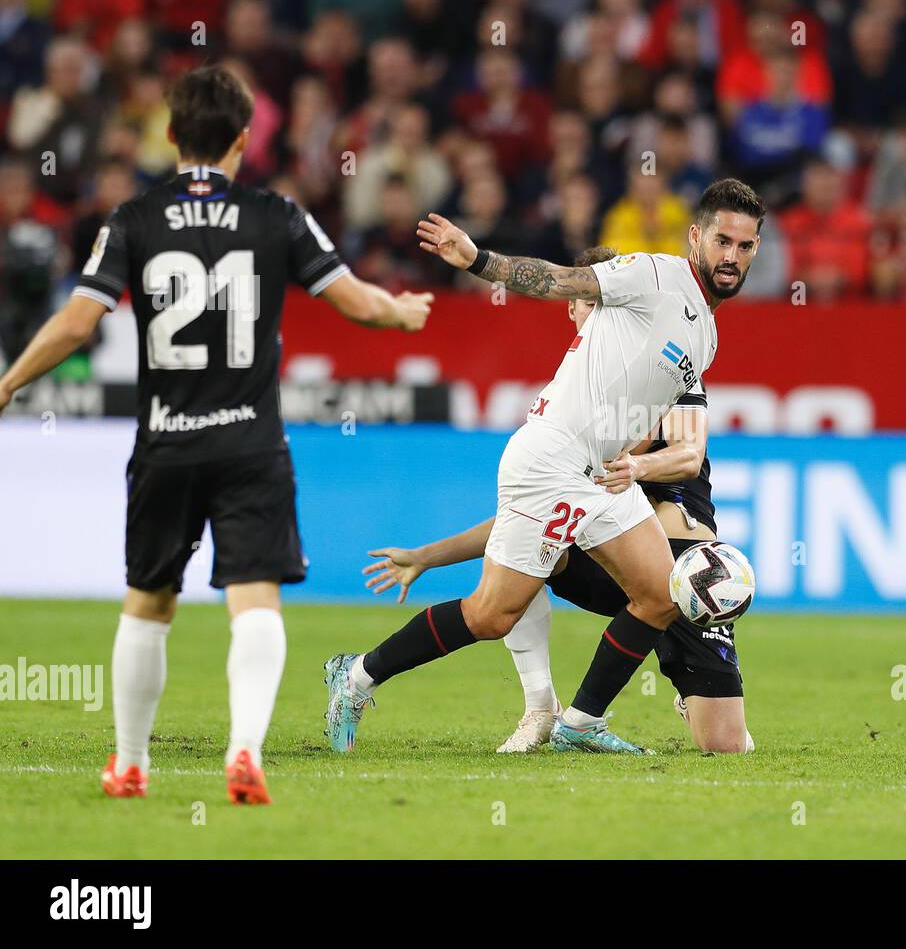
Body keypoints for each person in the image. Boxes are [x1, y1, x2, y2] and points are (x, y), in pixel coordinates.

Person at [0, 66, 433, 804]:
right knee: (255, 600)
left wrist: (8, 383)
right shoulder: (277, 215)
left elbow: (78, 322)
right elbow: (356, 302)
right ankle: (243, 753)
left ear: (169, 135)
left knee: (148, 604)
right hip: (250, 444)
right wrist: (402, 311)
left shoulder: (132, 218)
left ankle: (131, 764)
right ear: (242, 139)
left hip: (166, 440)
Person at [323, 178, 764, 755]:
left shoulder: (705, 333)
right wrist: (478, 259)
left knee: (662, 595)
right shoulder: (654, 274)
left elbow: (663, 428)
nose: (731, 257)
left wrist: (633, 465)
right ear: (695, 237)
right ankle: (356, 677)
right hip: (551, 461)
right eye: (722, 240)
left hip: (600, 473)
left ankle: (579, 723)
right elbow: (561, 280)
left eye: (745, 246)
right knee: (490, 615)